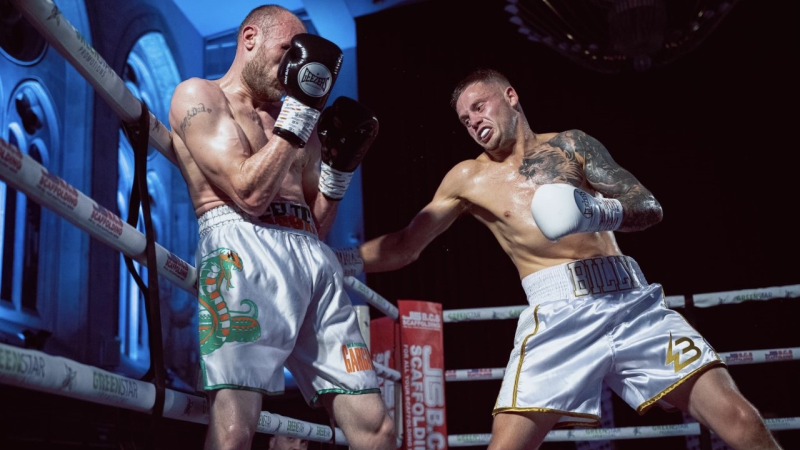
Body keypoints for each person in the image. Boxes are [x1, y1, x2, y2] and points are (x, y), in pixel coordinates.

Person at [338, 68, 782, 450]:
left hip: (632, 304)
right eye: (464, 118)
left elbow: (648, 205)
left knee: (741, 420)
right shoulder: (468, 177)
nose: (473, 121)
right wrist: (333, 259)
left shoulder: (573, 145)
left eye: (479, 106)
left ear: (510, 96)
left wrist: (598, 210)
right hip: (558, 316)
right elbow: (404, 245)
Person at [167, 5, 394, 450]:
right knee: (235, 431)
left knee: (378, 428)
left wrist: (337, 173)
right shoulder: (200, 96)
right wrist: (299, 117)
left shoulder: (299, 125)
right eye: (288, 49)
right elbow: (248, 195)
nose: (296, 65)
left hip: (311, 260)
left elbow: (316, 226)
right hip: (240, 250)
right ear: (250, 37)